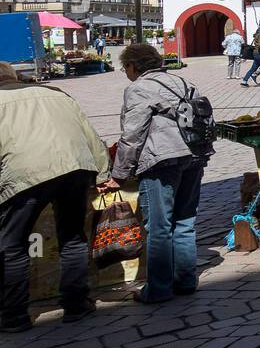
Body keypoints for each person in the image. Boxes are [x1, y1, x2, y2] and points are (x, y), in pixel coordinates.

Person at [0, 62, 110, 333]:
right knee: (72, 237)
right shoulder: (56, 93)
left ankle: (14, 316)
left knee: (12, 245)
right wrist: (103, 173)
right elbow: (90, 136)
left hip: (25, 173)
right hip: (75, 167)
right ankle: (76, 304)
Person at [102, 43, 207, 304]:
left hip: (162, 160)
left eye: (124, 67)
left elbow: (133, 135)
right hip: (195, 155)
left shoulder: (139, 88)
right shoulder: (183, 81)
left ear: (132, 66)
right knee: (184, 222)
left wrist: (120, 174)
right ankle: (185, 281)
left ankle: (159, 289)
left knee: (159, 227)